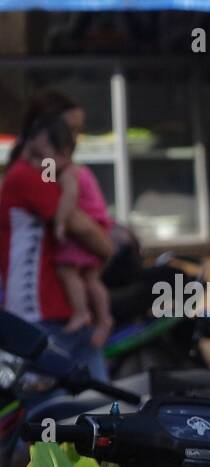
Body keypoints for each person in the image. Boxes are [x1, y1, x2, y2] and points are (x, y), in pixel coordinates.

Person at [0, 104, 114, 381]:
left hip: (59, 316)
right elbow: (85, 231)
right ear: (37, 136)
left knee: (88, 408)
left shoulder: (41, 174)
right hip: (39, 315)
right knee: (59, 410)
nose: (70, 141)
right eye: (66, 131)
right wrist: (107, 249)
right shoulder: (26, 177)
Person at [43, 118, 115, 344]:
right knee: (91, 278)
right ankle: (104, 319)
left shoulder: (67, 174)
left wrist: (61, 222)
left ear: (63, 152)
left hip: (87, 226)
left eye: (49, 154)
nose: (46, 162)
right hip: (100, 223)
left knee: (67, 270)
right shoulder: (80, 169)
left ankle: (81, 312)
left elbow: (68, 198)